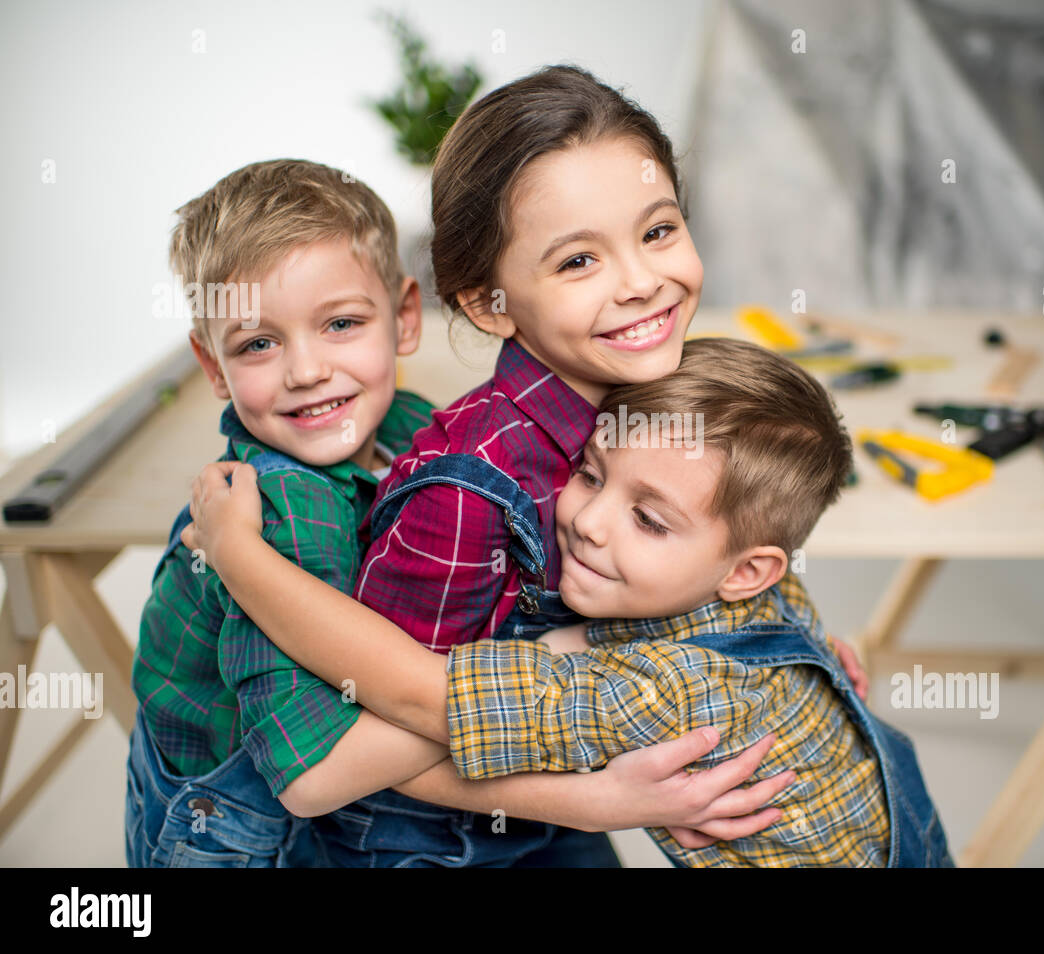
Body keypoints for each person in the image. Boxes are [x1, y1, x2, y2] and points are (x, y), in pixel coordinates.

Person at [128, 158, 780, 869]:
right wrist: (596, 779)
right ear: (212, 365)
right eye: (258, 343)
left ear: (406, 317)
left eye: (341, 322)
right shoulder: (279, 514)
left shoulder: (416, 427)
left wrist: (780, 640)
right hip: (233, 829)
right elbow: (314, 779)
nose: (307, 370)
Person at [183, 338, 953, 867]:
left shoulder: (669, 692)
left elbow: (414, 698)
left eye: (648, 519)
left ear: (746, 569)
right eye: (590, 471)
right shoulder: (765, 591)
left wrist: (237, 552)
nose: (587, 519)